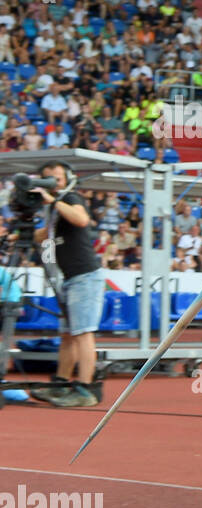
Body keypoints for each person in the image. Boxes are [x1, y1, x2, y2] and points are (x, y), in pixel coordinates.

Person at [28, 162, 104, 407]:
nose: (52, 182)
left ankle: (85, 388)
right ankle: (61, 383)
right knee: (68, 336)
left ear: (67, 179)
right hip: (70, 278)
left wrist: (53, 200)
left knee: (82, 333)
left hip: (85, 276)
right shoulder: (53, 209)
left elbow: (81, 220)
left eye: (56, 178)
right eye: (47, 179)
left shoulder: (71, 198)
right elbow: (43, 236)